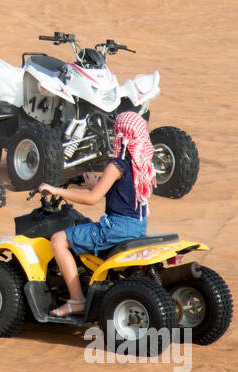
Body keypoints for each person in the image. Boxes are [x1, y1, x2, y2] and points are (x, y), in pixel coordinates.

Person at [38, 111, 154, 317]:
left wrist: (56, 190)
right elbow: (123, 192)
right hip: (137, 227)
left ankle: (76, 300)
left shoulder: (116, 164)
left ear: (121, 134)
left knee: (58, 240)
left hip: (116, 229)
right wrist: (96, 183)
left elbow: (92, 199)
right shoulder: (142, 164)